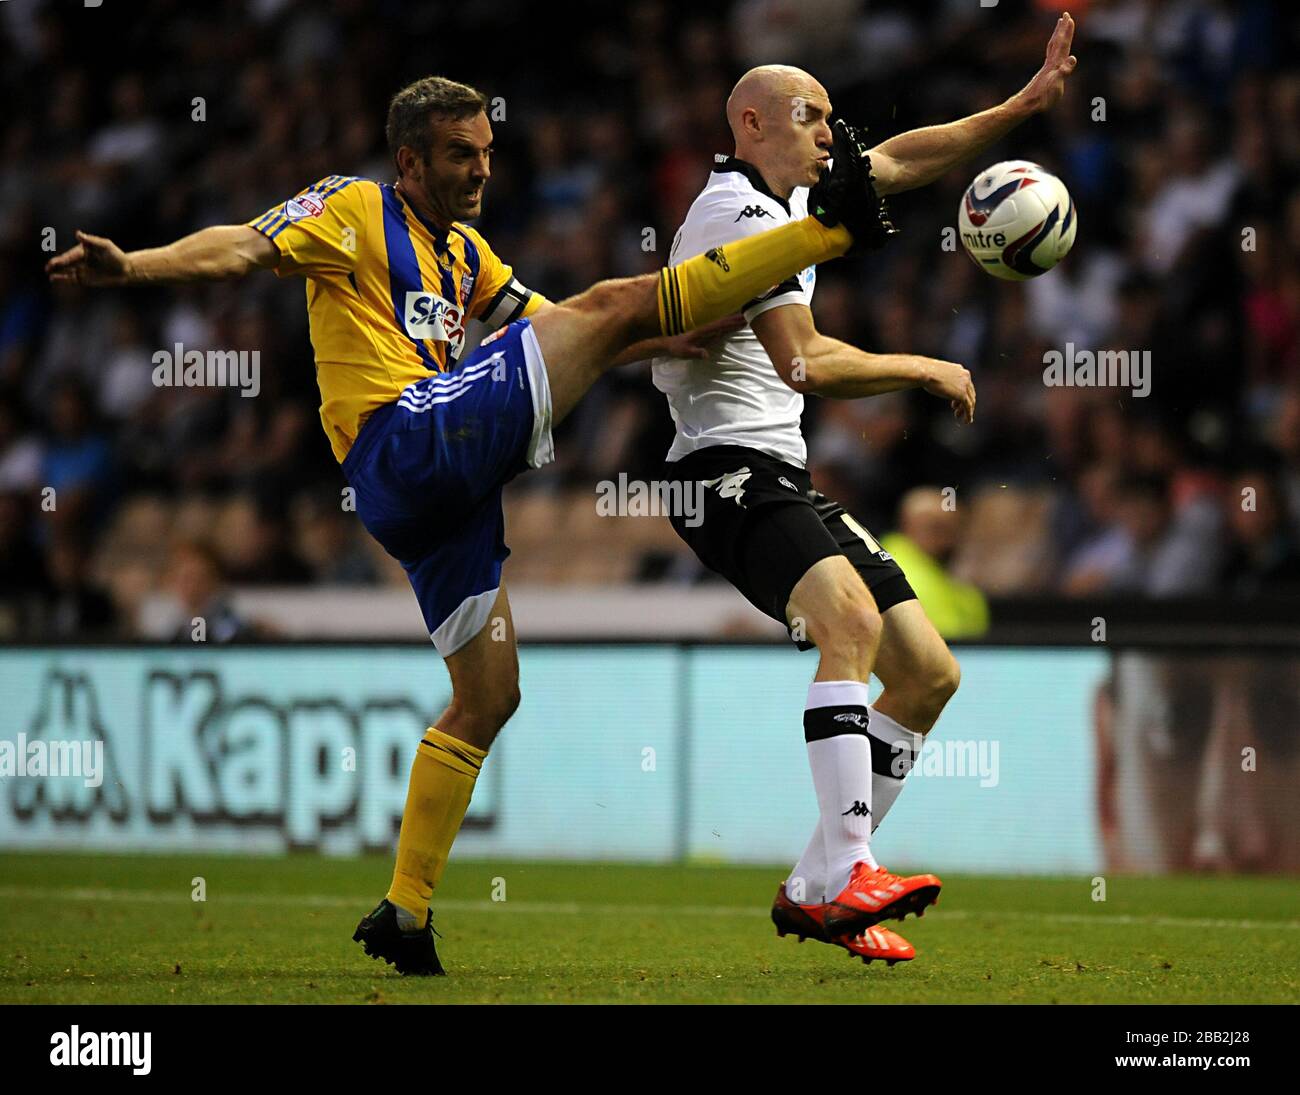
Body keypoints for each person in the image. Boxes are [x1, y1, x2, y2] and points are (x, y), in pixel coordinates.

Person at [46, 74, 893, 975]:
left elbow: (544, 323)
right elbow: (243, 248)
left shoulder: (467, 255)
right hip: (404, 437)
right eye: (460, 155)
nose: (481, 170)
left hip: (437, 497)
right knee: (607, 301)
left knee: (488, 695)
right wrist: (135, 266)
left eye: (487, 153)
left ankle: (403, 910)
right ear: (408, 160)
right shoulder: (352, 208)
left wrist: (658, 340)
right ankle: (826, 230)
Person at [654, 14, 1078, 964]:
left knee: (928, 672)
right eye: (811, 118)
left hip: (779, 475)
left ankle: (813, 886)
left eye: (831, 118)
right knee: (849, 623)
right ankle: (851, 866)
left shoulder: (792, 207)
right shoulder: (739, 215)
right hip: (716, 473)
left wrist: (1022, 102)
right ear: (752, 125)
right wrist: (921, 367)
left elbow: (901, 160)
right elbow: (802, 362)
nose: (828, 135)